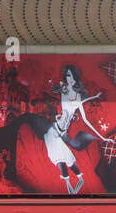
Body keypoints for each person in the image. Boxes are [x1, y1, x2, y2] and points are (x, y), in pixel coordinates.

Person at [42, 64, 105, 194]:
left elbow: (86, 120)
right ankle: (72, 187)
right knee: (61, 158)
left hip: (60, 132)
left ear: (75, 77)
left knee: (64, 158)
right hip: (55, 130)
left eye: (70, 75)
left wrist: (103, 137)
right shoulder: (64, 91)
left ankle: (76, 183)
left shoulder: (78, 98)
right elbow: (59, 90)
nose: (68, 78)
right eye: (66, 76)